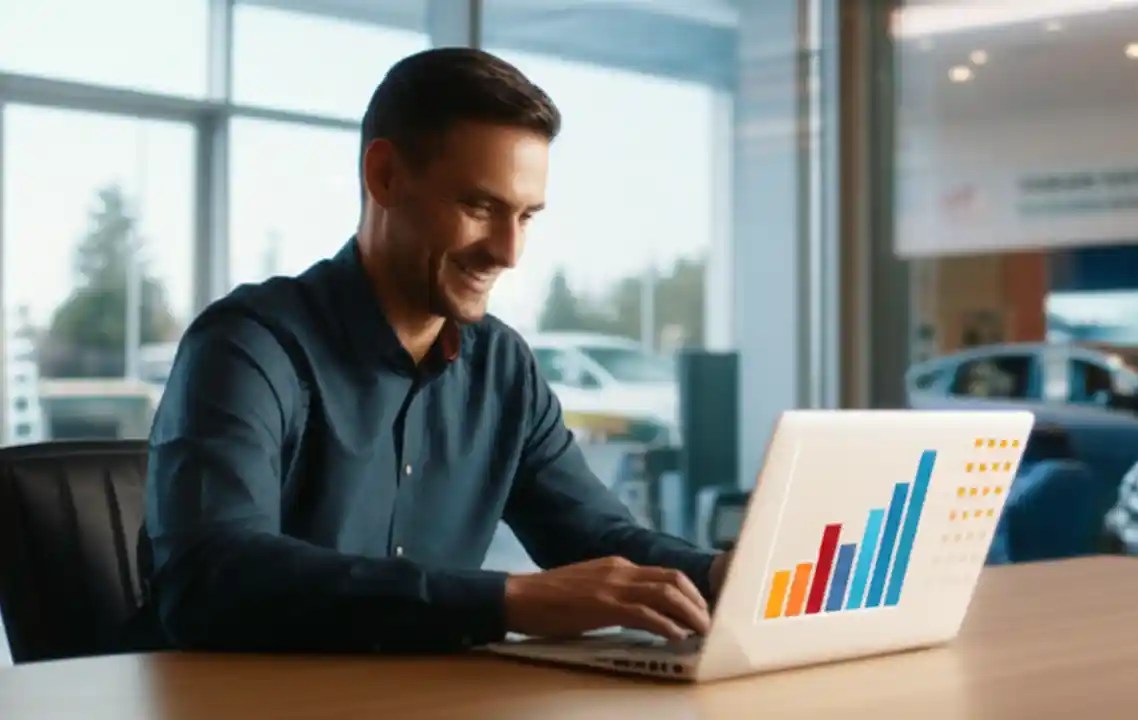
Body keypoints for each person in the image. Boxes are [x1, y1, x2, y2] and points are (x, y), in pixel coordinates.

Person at [128, 47, 728, 654]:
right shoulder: (247, 346)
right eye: (479, 207)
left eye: (526, 216)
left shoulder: (502, 368)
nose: (509, 252)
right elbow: (211, 580)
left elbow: (595, 537)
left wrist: (716, 576)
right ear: (385, 176)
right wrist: (505, 601)